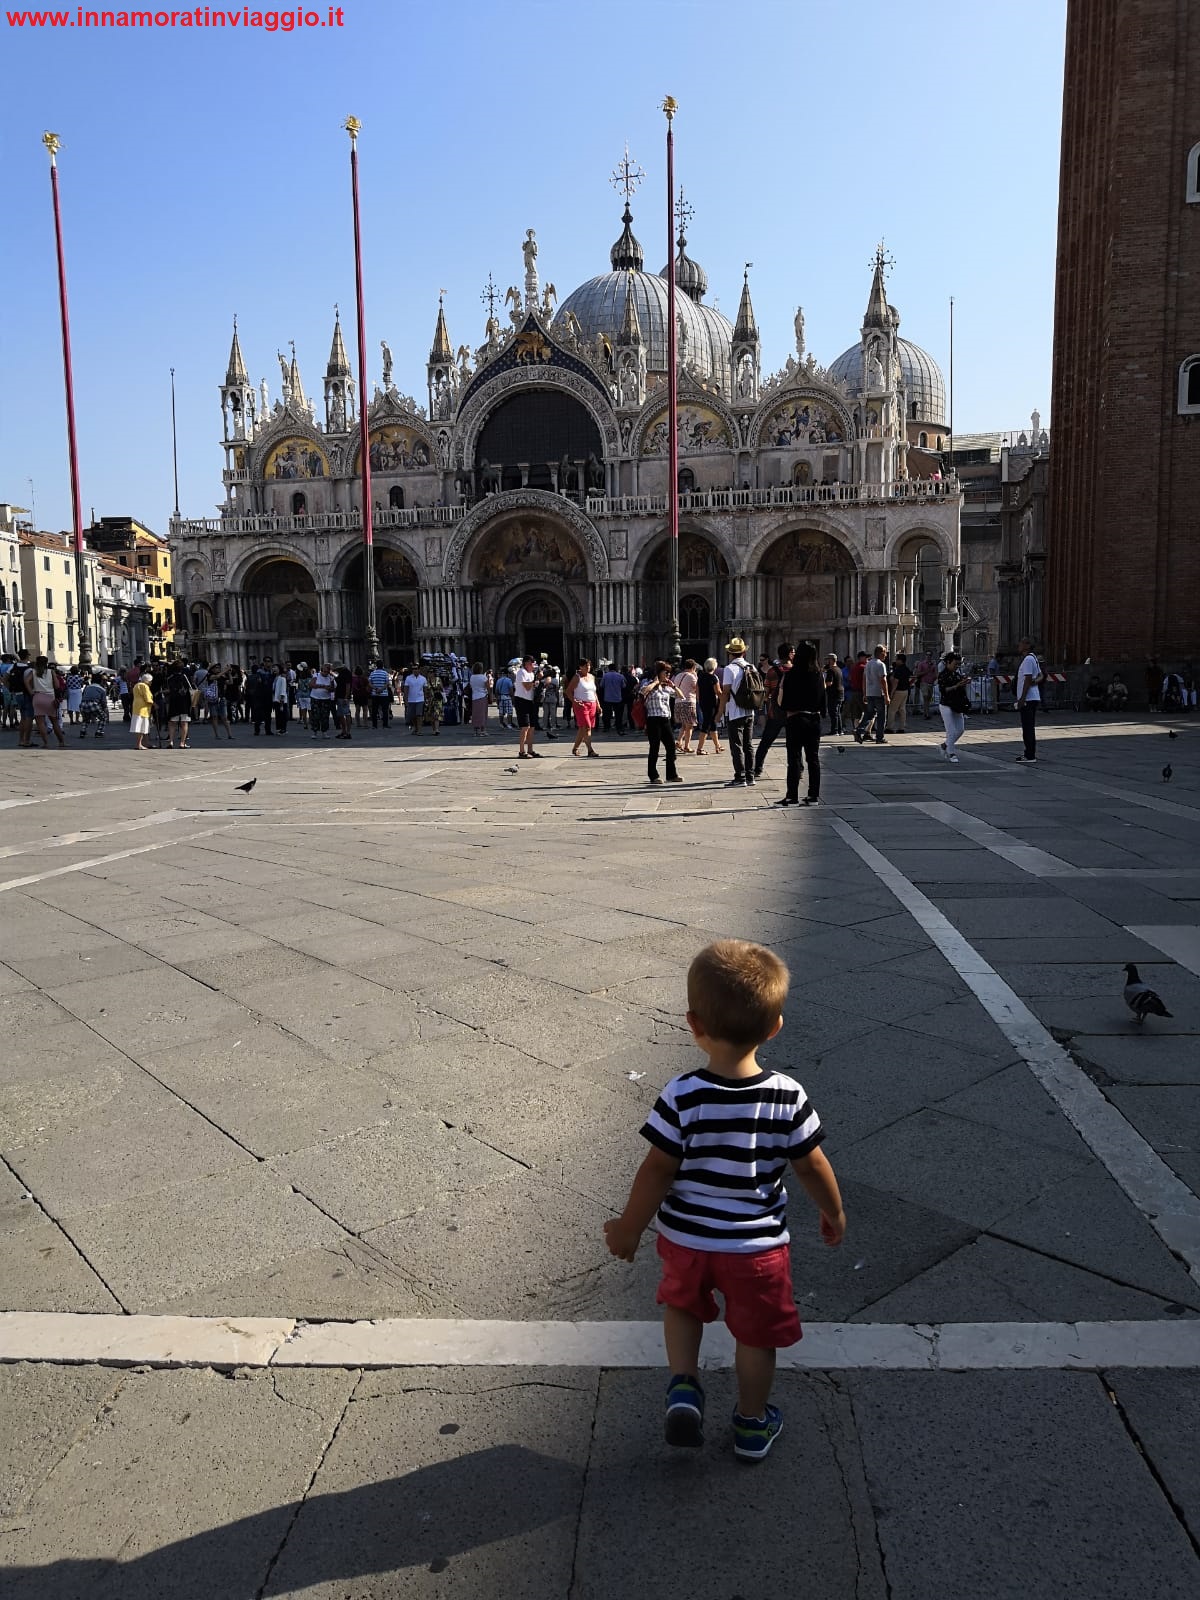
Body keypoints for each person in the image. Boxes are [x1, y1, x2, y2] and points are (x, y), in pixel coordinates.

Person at [603, 940, 844, 1460]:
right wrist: (833, 1211)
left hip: (686, 1239)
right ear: (775, 1026)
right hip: (756, 1248)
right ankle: (753, 1423)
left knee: (683, 1306)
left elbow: (656, 1170)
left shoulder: (681, 1095)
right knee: (757, 1336)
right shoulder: (788, 1096)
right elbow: (811, 1164)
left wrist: (628, 1227)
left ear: (694, 1025)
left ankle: (684, 1384)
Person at [777, 641, 824, 807]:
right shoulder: (819, 674)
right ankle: (813, 796)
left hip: (796, 719)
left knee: (795, 758)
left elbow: (782, 703)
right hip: (814, 720)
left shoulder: (791, 674)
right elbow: (822, 700)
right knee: (813, 759)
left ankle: (792, 797)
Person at [716, 637, 756, 787]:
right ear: (744, 653)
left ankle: (740, 777)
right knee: (749, 745)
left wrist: (720, 712)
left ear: (730, 653)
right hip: (750, 711)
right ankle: (750, 777)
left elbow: (725, 693)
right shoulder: (752, 667)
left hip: (735, 712)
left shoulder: (729, 669)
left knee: (737, 745)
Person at [638, 660, 685, 785]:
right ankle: (653, 775)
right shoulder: (649, 684)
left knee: (671, 747)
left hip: (665, 719)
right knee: (655, 748)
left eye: (669, 673)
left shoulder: (666, 688)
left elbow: (681, 696)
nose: (668, 675)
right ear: (659, 672)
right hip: (653, 719)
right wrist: (655, 683)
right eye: (666, 672)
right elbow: (643, 692)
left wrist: (672, 685)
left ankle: (671, 774)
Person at [753, 645, 792, 777]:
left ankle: (757, 768)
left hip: (775, 712)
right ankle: (798, 769)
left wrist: (766, 701)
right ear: (790, 654)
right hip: (793, 712)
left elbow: (766, 692)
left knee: (765, 742)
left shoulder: (772, 672)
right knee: (794, 744)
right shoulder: (796, 670)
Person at [936, 650, 971, 764]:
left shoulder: (957, 674)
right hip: (946, 704)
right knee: (950, 730)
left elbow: (960, 685)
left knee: (960, 730)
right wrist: (956, 685)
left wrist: (964, 682)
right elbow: (944, 690)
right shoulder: (943, 675)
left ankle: (944, 745)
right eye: (955, 664)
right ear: (948, 663)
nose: (957, 666)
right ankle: (951, 753)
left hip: (957, 704)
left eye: (958, 664)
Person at [27, 656, 66, 749]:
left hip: (37, 697)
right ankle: (61, 742)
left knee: (40, 723)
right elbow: (57, 686)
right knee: (54, 722)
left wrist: (31, 691)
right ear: (46, 663)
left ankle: (46, 743)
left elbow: (26, 681)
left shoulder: (33, 671)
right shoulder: (51, 672)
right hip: (49, 698)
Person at [1014, 636, 1042, 764]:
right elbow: (1041, 675)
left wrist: (1022, 699)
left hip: (1028, 699)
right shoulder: (1033, 658)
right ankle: (1029, 753)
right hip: (1032, 697)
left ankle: (1030, 755)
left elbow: (1027, 679)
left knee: (1028, 728)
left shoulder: (1028, 660)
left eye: (1021, 643)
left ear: (1027, 645)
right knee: (1028, 727)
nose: (1018, 645)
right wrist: (1035, 682)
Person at [855, 645, 890, 744]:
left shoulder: (868, 664)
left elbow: (864, 680)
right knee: (881, 715)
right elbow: (883, 680)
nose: (886, 655)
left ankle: (859, 730)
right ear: (881, 653)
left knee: (869, 714)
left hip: (870, 693)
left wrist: (865, 694)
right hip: (878, 693)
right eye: (885, 652)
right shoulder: (880, 664)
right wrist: (887, 695)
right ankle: (880, 737)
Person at [566, 658, 600, 757]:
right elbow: (568, 691)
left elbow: (593, 692)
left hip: (592, 704)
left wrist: (598, 704)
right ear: (580, 667)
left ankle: (575, 748)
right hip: (581, 705)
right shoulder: (577, 677)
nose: (588, 668)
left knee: (583, 728)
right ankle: (590, 750)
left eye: (589, 665)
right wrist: (574, 701)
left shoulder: (592, 677)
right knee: (586, 727)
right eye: (585, 666)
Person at [513, 654, 541, 759]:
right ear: (526, 663)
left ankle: (530, 749)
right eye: (531, 663)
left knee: (532, 727)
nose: (533, 665)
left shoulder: (531, 673)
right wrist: (536, 680)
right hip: (521, 700)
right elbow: (527, 687)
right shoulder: (521, 672)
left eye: (533, 663)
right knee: (525, 726)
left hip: (530, 701)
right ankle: (521, 751)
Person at [695, 656, 722, 756]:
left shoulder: (700, 677)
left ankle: (717, 746)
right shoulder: (713, 678)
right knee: (706, 725)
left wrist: (699, 700)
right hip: (711, 704)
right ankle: (699, 748)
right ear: (714, 667)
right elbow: (718, 692)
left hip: (703, 703)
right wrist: (725, 699)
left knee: (712, 724)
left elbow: (697, 690)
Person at [673, 659, 699, 755]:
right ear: (693, 667)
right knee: (690, 726)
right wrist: (696, 676)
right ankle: (687, 746)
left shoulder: (678, 676)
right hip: (688, 702)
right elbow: (696, 689)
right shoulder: (691, 677)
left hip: (678, 702)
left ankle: (679, 742)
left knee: (684, 725)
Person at [165, 661, 194, 748]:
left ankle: (171, 742)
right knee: (184, 722)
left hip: (173, 702)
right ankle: (182, 743)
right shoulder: (185, 677)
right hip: (184, 702)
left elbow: (168, 690)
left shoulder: (169, 678)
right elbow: (190, 688)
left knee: (172, 722)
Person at [203, 666, 235, 741]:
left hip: (222, 698)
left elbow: (230, 682)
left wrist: (229, 674)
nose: (218, 669)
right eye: (216, 668)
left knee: (224, 717)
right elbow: (216, 676)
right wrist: (226, 670)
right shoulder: (210, 675)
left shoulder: (222, 677)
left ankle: (230, 734)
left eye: (219, 668)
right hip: (213, 699)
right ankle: (217, 735)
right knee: (214, 717)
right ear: (212, 669)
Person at [130, 668, 155, 751]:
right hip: (143, 708)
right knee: (141, 728)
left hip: (137, 707)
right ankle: (139, 744)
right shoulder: (145, 686)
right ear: (147, 681)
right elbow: (147, 698)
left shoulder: (137, 685)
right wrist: (154, 704)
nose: (151, 683)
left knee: (142, 728)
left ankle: (145, 743)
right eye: (151, 681)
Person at [887, 651, 911, 733]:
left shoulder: (898, 670)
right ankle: (902, 727)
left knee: (892, 710)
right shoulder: (907, 669)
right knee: (902, 709)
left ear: (900, 660)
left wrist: (891, 693)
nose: (896, 661)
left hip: (898, 691)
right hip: (905, 691)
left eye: (897, 659)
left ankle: (889, 727)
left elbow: (895, 682)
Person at [600, 662, 627, 735]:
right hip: (617, 698)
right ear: (616, 669)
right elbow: (624, 686)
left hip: (607, 698)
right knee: (618, 714)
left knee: (607, 714)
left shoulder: (605, 676)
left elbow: (601, 685)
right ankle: (618, 726)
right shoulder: (620, 676)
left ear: (609, 668)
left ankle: (607, 727)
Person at [79, 673, 108, 737]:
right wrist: (104, 710)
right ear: (101, 681)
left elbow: (83, 695)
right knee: (103, 718)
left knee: (86, 718)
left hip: (83, 704)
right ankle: (99, 732)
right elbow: (104, 703)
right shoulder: (102, 689)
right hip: (93, 704)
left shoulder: (87, 687)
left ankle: (83, 731)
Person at [402, 661, 427, 735]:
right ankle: (415, 728)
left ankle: (419, 730)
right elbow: (406, 689)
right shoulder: (408, 678)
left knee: (419, 715)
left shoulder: (423, 679)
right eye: (413, 669)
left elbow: (425, 690)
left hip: (420, 699)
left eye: (416, 669)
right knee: (412, 715)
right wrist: (405, 700)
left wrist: (426, 699)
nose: (415, 670)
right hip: (411, 699)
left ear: (419, 670)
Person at [310, 663, 334, 738]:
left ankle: (324, 732)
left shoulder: (330, 677)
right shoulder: (316, 675)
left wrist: (330, 686)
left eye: (328, 671)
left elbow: (333, 689)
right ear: (322, 670)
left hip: (326, 699)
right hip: (315, 698)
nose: (326, 673)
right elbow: (311, 685)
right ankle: (315, 732)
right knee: (315, 716)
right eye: (325, 671)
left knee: (325, 716)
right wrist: (323, 686)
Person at [468, 661, 492, 735]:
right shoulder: (483, 677)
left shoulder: (472, 677)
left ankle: (476, 730)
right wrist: (490, 696)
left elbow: (471, 686)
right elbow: (488, 687)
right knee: (483, 713)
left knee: (475, 713)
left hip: (474, 696)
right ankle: (483, 730)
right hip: (482, 696)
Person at [823, 653, 845, 735]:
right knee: (838, 712)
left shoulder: (831, 670)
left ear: (831, 660)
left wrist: (823, 680)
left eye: (828, 660)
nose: (827, 662)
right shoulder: (839, 669)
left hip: (833, 693)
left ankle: (834, 730)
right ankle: (840, 730)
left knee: (833, 713)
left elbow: (829, 683)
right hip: (840, 692)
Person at [912, 653, 938, 719]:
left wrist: (934, 677)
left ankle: (927, 712)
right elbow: (918, 674)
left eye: (930, 655)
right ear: (925, 656)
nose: (928, 656)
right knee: (925, 697)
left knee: (928, 699)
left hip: (931, 683)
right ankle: (926, 713)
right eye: (927, 655)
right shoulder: (921, 664)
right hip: (924, 683)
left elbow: (935, 673)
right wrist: (926, 671)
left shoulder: (933, 665)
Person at [368, 660, 392, 728]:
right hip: (384, 694)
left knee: (374, 710)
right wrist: (381, 689)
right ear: (382, 665)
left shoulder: (372, 673)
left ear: (376, 666)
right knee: (385, 710)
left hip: (375, 694)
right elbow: (387, 683)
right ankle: (385, 724)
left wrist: (376, 689)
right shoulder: (385, 673)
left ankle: (374, 725)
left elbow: (369, 683)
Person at [334, 662, 354, 739]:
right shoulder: (341, 673)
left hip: (343, 696)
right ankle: (344, 731)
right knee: (341, 715)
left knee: (346, 714)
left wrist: (346, 697)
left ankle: (348, 732)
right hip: (340, 696)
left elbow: (348, 685)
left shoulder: (346, 673)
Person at [541, 666, 561, 739]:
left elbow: (542, 688)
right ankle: (553, 726)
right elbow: (556, 690)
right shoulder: (555, 680)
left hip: (545, 698)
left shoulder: (544, 680)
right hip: (553, 697)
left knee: (545, 713)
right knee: (553, 713)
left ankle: (544, 726)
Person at [494, 665, 515, 730]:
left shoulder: (498, 680)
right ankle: (509, 724)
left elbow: (496, 691)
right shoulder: (509, 680)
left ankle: (501, 723)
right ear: (507, 674)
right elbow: (511, 690)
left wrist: (497, 698)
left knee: (501, 712)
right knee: (509, 712)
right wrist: (512, 697)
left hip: (501, 697)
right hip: (507, 697)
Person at [272, 665, 290, 735]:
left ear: (279, 669)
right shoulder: (274, 678)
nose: (274, 669)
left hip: (281, 701)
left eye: (275, 668)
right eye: (273, 668)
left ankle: (283, 729)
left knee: (282, 716)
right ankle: (278, 729)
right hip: (276, 700)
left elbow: (283, 691)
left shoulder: (282, 678)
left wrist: (282, 703)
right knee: (278, 716)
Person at [295, 663, 313, 729]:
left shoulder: (300, 677)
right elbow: (310, 686)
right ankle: (311, 722)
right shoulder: (309, 677)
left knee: (303, 710)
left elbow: (299, 686)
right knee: (310, 710)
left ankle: (305, 724)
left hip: (301, 695)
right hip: (308, 695)